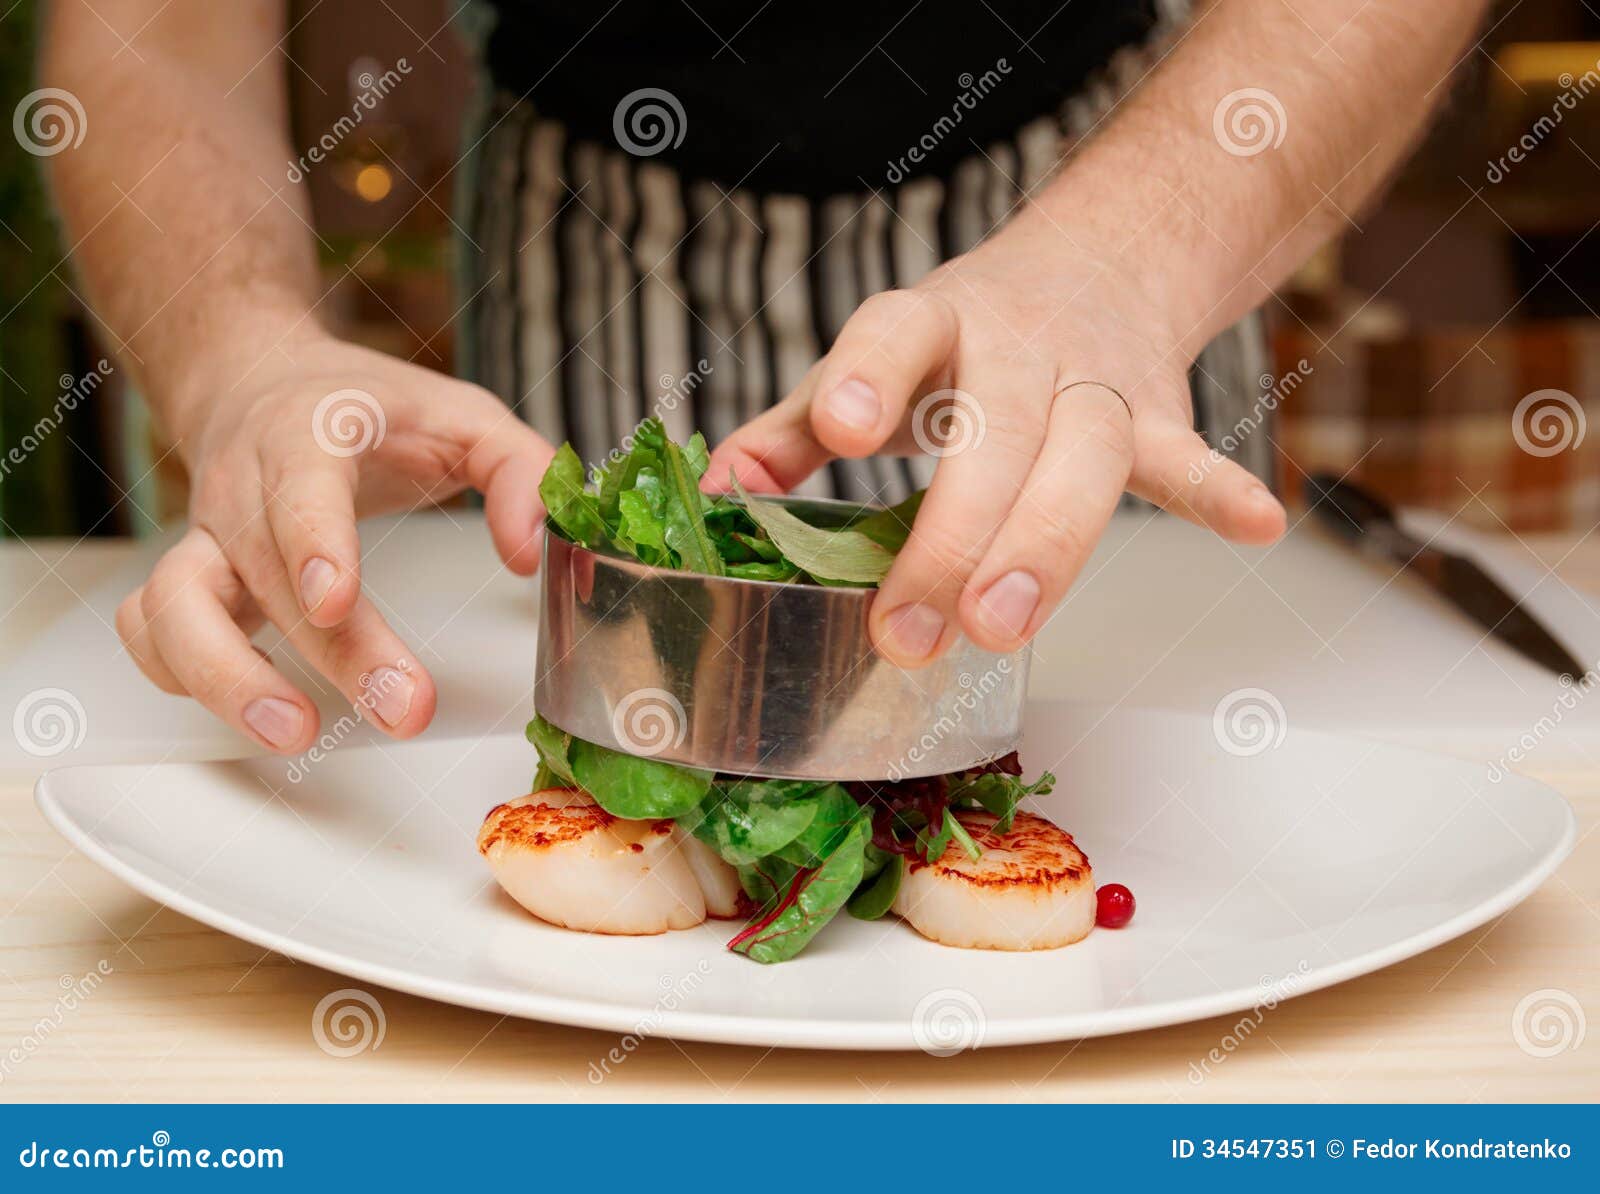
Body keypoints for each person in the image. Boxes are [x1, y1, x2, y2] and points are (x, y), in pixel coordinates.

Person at [41, 0, 1489, 754]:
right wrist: (238, 363)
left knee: (1122, 777)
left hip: (1119, 192)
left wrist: (1132, 256)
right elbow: (151, 33)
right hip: (600, 210)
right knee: (639, 775)